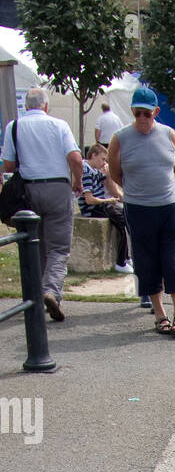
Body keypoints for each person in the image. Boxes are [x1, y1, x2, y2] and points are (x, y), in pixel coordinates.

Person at [107, 85, 175, 338]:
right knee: (146, 259)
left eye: (148, 114)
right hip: (138, 207)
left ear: (156, 112)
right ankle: (159, 314)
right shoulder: (120, 138)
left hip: (168, 205)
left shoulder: (169, 135)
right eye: (138, 113)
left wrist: (170, 192)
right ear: (133, 112)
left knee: (173, 258)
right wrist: (135, 191)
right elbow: (115, 173)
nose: (143, 119)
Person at [1, 85, 82, 321]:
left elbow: (8, 165)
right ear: (46, 106)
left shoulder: (14, 126)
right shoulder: (59, 125)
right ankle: (51, 290)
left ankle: (35, 298)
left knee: (34, 245)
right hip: (57, 187)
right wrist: (77, 182)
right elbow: (75, 157)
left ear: (26, 106)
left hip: (27, 191)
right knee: (58, 247)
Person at [78, 142, 133, 273]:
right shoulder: (86, 171)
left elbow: (106, 180)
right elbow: (89, 199)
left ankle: (126, 257)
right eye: (103, 159)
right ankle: (121, 261)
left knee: (127, 216)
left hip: (102, 204)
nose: (104, 163)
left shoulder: (94, 170)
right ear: (93, 155)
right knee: (122, 222)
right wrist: (108, 200)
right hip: (93, 208)